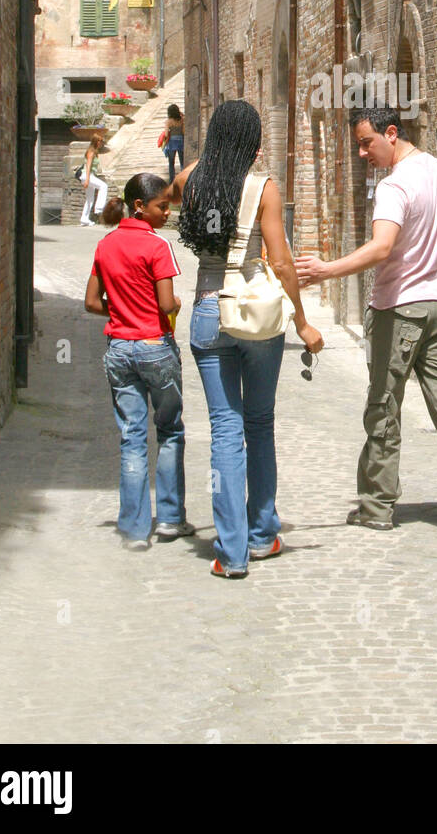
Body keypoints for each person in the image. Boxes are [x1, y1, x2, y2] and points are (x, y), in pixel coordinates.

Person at [295, 106, 437, 541]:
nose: (363, 153)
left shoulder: (394, 186)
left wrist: (326, 270)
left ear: (392, 133)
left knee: (384, 407)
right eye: (358, 145)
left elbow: (381, 248)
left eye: (367, 142)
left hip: (398, 312)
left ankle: (376, 506)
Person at [168, 100, 323, 579]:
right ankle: (261, 535)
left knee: (223, 429)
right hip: (255, 313)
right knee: (259, 422)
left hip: (210, 311)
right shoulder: (264, 188)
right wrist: (302, 322)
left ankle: (229, 552)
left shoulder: (190, 180)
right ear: (255, 143)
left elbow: (176, 196)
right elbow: (280, 262)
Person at [84, 172, 194, 551]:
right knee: (169, 430)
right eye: (162, 206)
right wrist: (176, 304)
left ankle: (133, 529)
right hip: (155, 346)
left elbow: (92, 303)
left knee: (132, 437)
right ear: (139, 206)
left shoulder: (106, 245)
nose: (167, 212)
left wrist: (123, 312)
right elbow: (167, 304)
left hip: (119, 348)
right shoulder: (157, 247)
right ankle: (169, 519)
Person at [79, 133, 108, 226]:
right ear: (96, 141)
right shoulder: (91, 151)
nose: (101, 143)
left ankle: (84, 218)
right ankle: (99, 208)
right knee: (104, 186)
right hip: (87, 175)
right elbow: (88, 165)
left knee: (89, 199)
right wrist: (87, 179)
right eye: (100, 141)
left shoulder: (95, 152)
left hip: (90, 176)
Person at [163, 104, 185, 183]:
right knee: (182, 162)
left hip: (171, 143)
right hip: (180, 141)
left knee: (171, 163)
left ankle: (172, 180)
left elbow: (165, 134)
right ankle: (184, 179)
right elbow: (183, 132)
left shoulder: (168, 121)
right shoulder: (182, 120)